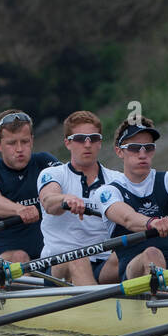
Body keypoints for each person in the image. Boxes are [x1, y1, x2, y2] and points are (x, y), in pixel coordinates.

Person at [89, 117, 168, 280]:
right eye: (134, 148)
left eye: (148, 148)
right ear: (119, 151)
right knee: (152, 253)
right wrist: (152, 223)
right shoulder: (107, 191)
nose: (142, 154)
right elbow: (128, 218)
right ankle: (166, 299)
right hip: (133, 274)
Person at [36, 111, 123, 284]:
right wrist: (65, 199)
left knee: (142, 254)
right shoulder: (53, 174)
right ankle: (98, 309)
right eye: (80, 139)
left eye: (94, 138)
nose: (88, 144)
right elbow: (48, 201)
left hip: (103, 264)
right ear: (68, 143)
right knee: (77, 258)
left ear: (100, 142)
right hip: (58, 263)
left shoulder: (117, 180)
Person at [0, 109, 59, 269]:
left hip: (47, 256)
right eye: (12, 143)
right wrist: (20, 210)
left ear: (32, 140)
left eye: (24, 142)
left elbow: (68, 186)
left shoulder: (45, 162)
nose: (19, 149)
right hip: (0, 258)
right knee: (20, 257)